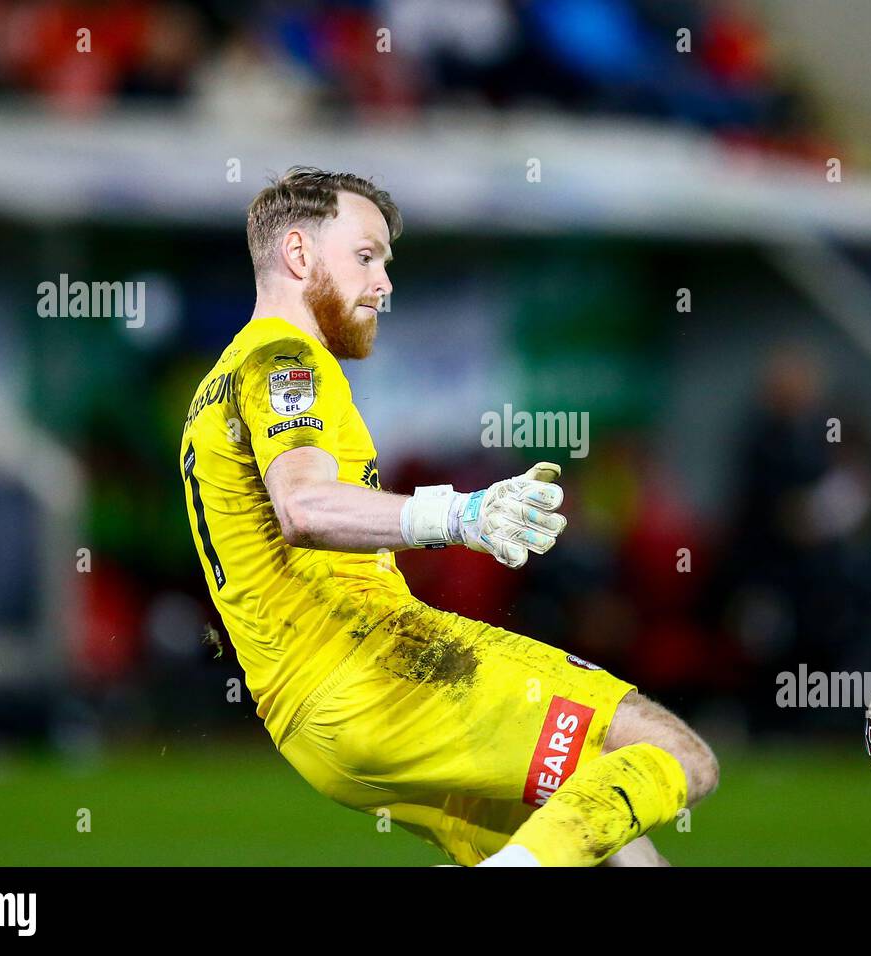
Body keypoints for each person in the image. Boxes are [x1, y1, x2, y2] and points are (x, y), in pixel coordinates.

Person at [178, 167, 718, 866]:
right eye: (366, 256)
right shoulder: (286, 361)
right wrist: (462, 514)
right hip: (379, 670)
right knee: (676, 754)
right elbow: (304, 507)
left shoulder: (216, 384)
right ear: (299, 255)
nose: (384, 285)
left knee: (611, 838)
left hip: (313, 727)